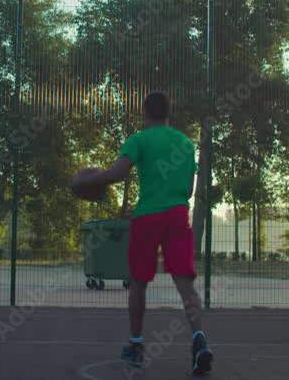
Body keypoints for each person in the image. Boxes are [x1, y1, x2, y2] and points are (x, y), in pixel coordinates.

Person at [71, 91, 214, 374]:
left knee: (138, 282)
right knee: (185, 284)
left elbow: (116, 174)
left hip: (148, 216)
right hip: (177, 215)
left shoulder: (138, 140)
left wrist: (86, 180)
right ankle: (199, 340)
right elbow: (188, 189)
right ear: (168, 113)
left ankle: (136, 344)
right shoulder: (185, 144)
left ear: (145, 112)